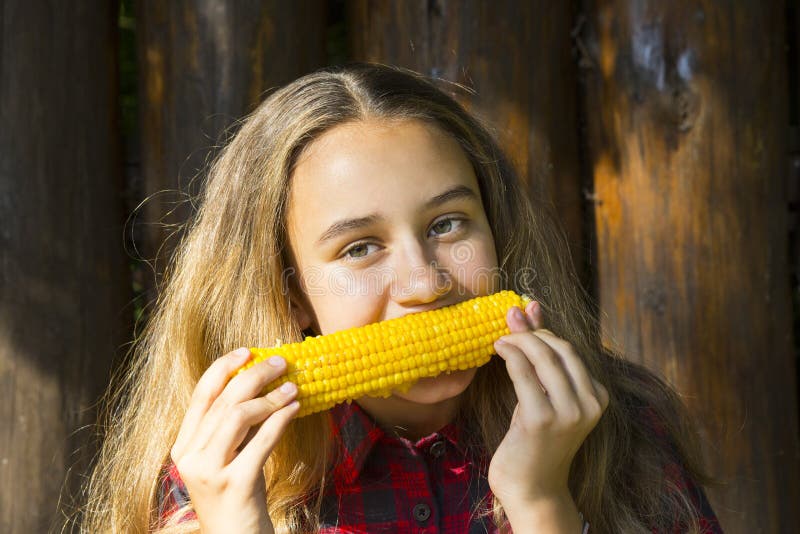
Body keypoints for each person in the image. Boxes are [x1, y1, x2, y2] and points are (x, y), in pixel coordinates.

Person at [81, 63, 722, 533]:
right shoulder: (219, 478)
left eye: (448, 224)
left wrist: (542, 506)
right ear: (291, 291)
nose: (426, 283)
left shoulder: (622, 428)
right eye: (360, 247)